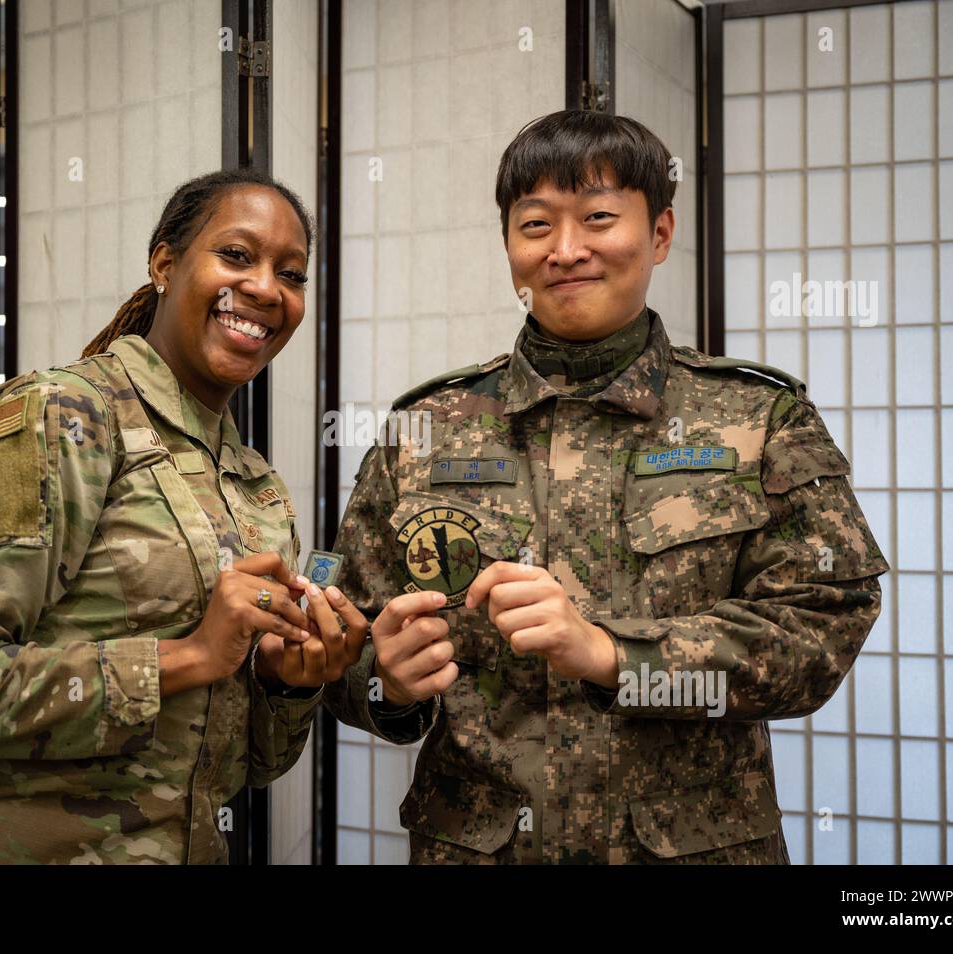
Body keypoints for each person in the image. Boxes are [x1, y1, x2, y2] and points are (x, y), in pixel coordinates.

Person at [323, 110, 890, 864]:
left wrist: (611, 652)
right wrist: (385, 685)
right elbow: (341, 646)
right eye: (535, 225)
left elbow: (822, 628)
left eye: (597, 217)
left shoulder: (759, 418)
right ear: (509, 249)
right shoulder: (424, 429)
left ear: (659, 234)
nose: (566, 250)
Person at [0, 169, 366, 864]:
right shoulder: (64, 415)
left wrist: (287, 681)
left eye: (292, 274)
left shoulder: (259, 489)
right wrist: (188, 656)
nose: (265, 289)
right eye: (237, 255)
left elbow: (244, 766)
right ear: (165, 263)